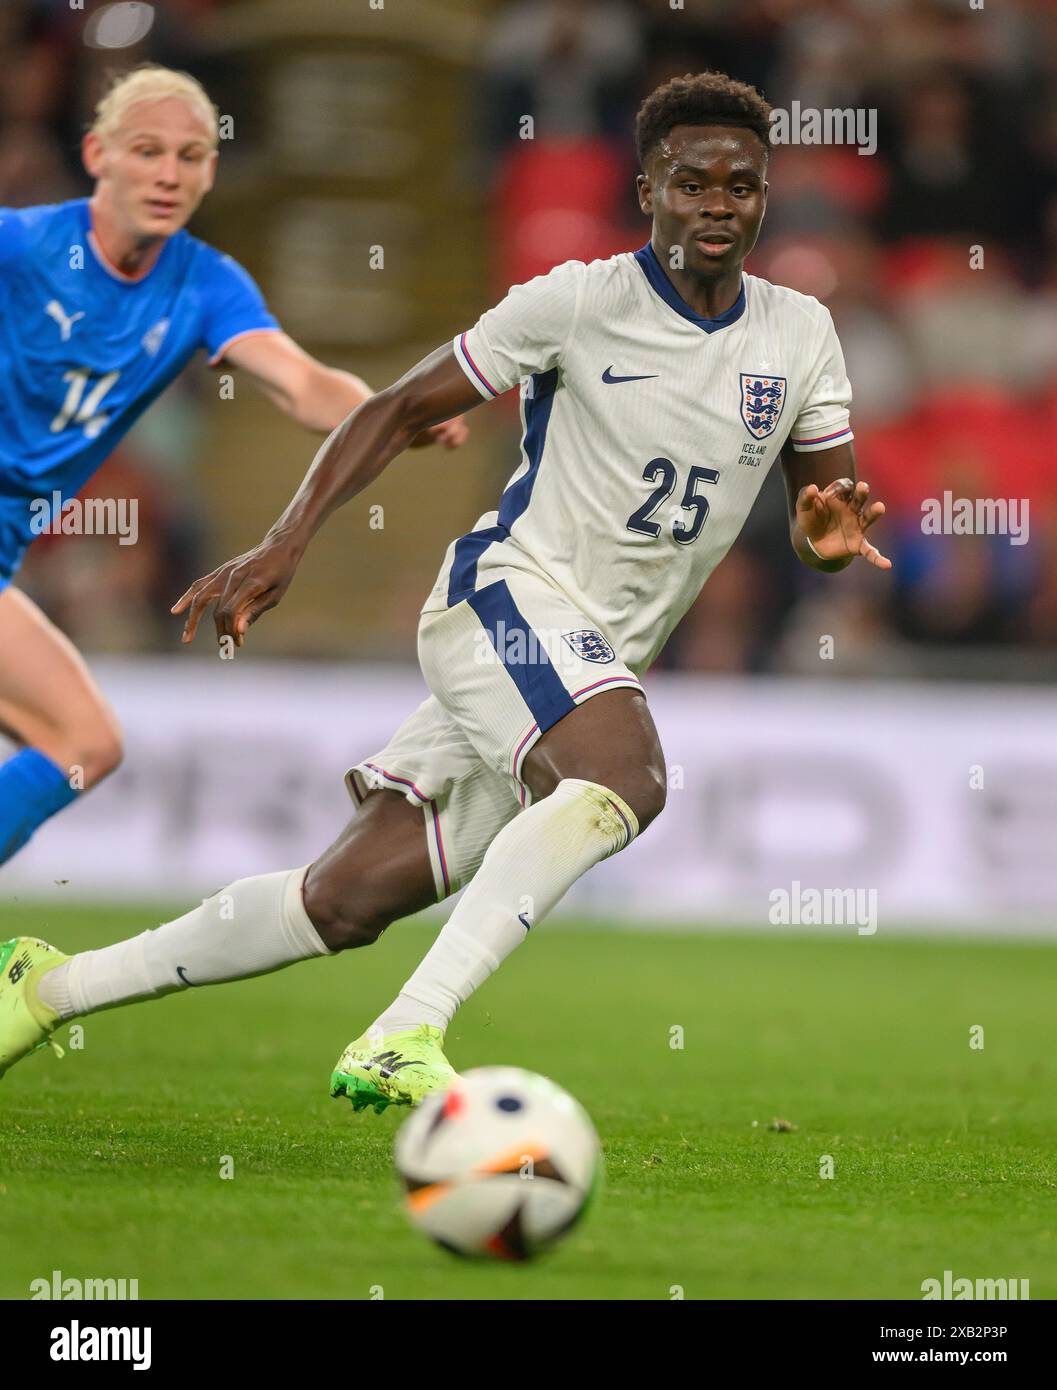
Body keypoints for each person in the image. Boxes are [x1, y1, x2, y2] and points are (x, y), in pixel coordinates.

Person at [1, 72, 888, 1111]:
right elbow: (390, 408)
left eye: (740, 187)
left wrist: (824, 544)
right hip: (504, 604)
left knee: (338, 902)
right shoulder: (575, 299)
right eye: (691, 183)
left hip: (587, 655)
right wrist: (286, 544)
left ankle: (47, 986)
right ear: (646, 187)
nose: (716, 207)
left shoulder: (797, 335)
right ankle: (402, 1034)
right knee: (622, 779)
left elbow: (823, 519)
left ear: (765, 197)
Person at [0, 63, 466, 865]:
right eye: (146, 150)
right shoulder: (22, 245)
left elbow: (302, 383)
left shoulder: (205, 284)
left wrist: (396, 411)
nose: (168, 173)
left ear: (210, 171)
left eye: (189, 156)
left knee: (83, 742)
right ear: (96, 155)